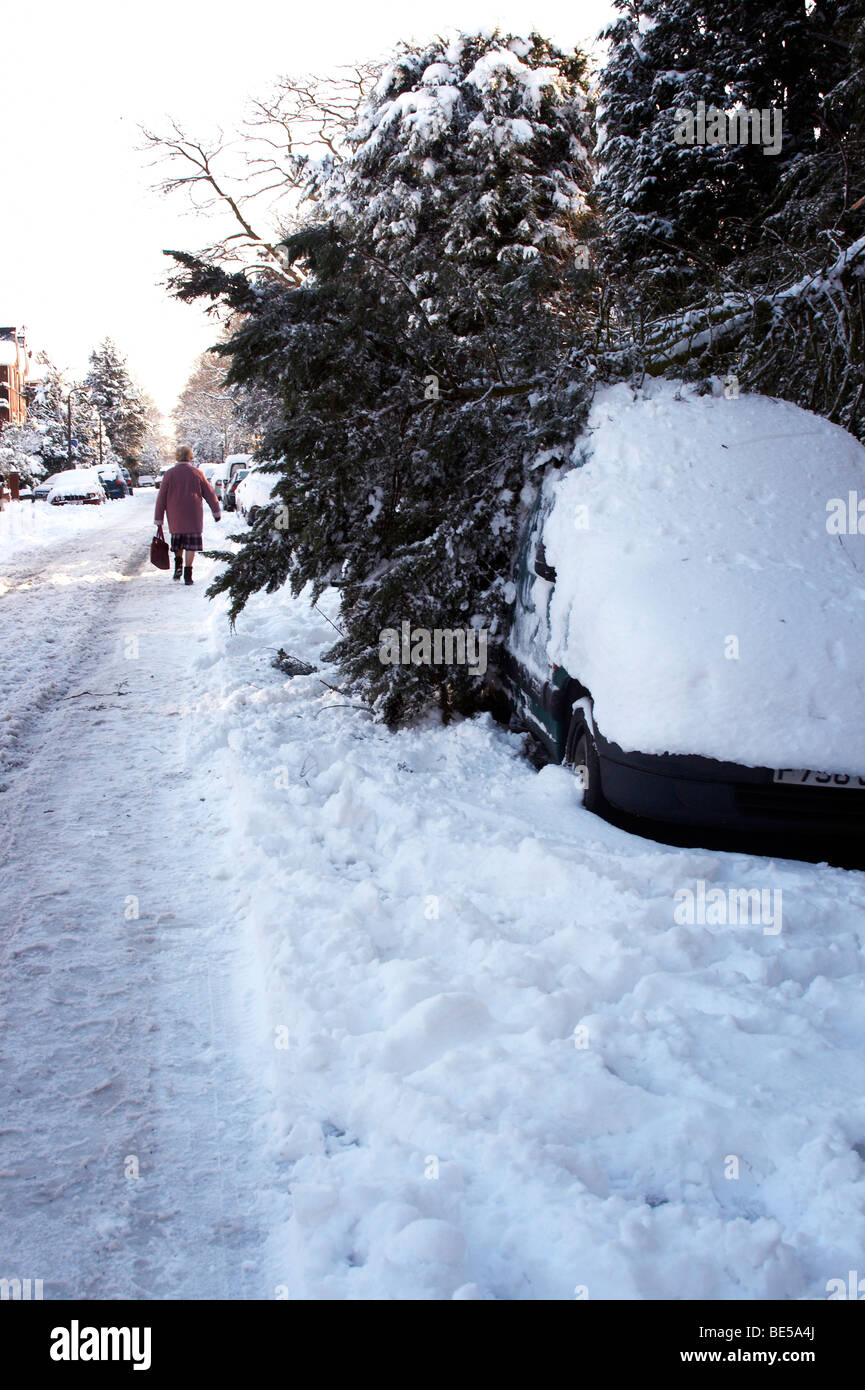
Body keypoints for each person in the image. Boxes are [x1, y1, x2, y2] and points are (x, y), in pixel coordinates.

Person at [153, 446, 221, 584]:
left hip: (175, 515)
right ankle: (188, 573)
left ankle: (178, 566)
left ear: (177, 456)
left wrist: (158, 519)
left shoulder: (169, 474)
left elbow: (161, 498)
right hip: (193, 515)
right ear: (190, 456)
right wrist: (216, 511)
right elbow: (209, 494)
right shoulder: (197, 473)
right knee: (191, 545)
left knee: (178, 542)